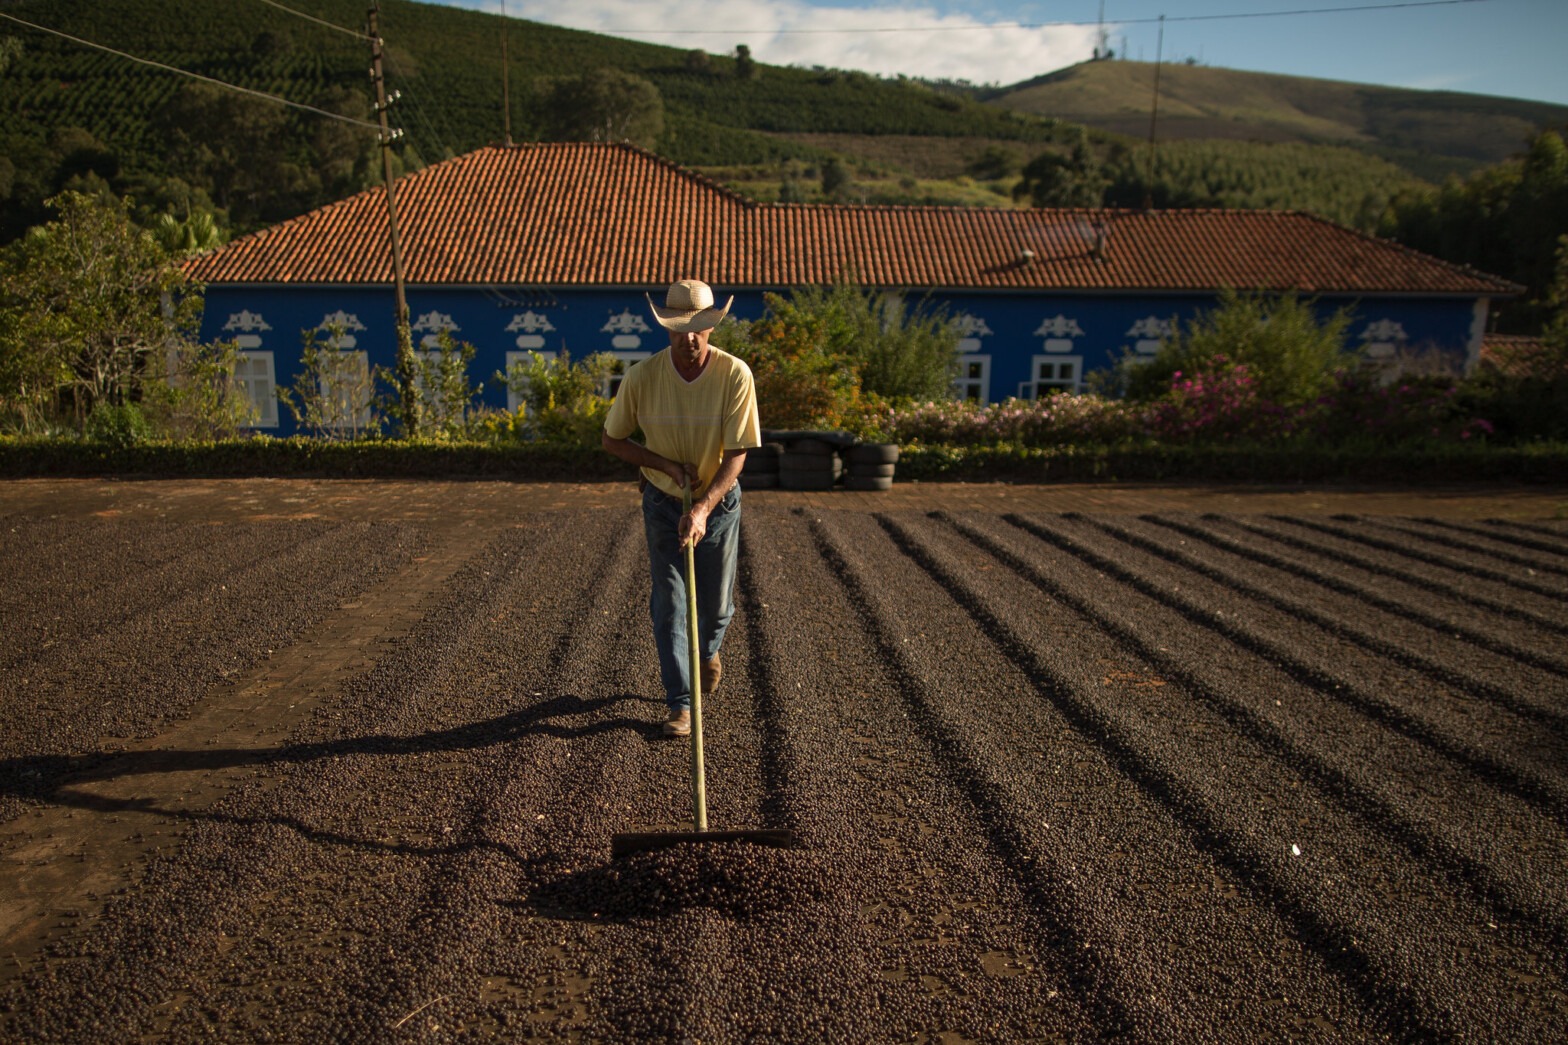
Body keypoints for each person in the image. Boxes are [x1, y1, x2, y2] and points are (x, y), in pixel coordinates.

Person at [601, 279, 761, 737]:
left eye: (698, 329)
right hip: (662, 502)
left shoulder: (734, 375)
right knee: (670, 606)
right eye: (677, 329)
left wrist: (705, 505)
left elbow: (737, 455)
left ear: (712, 328)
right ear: (665, 329)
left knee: (715, 606)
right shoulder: (642, 377)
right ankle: (681, 703)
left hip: (718, 503)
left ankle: (708, 651)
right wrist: (665, 465)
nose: (688, 339)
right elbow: (613, 439)